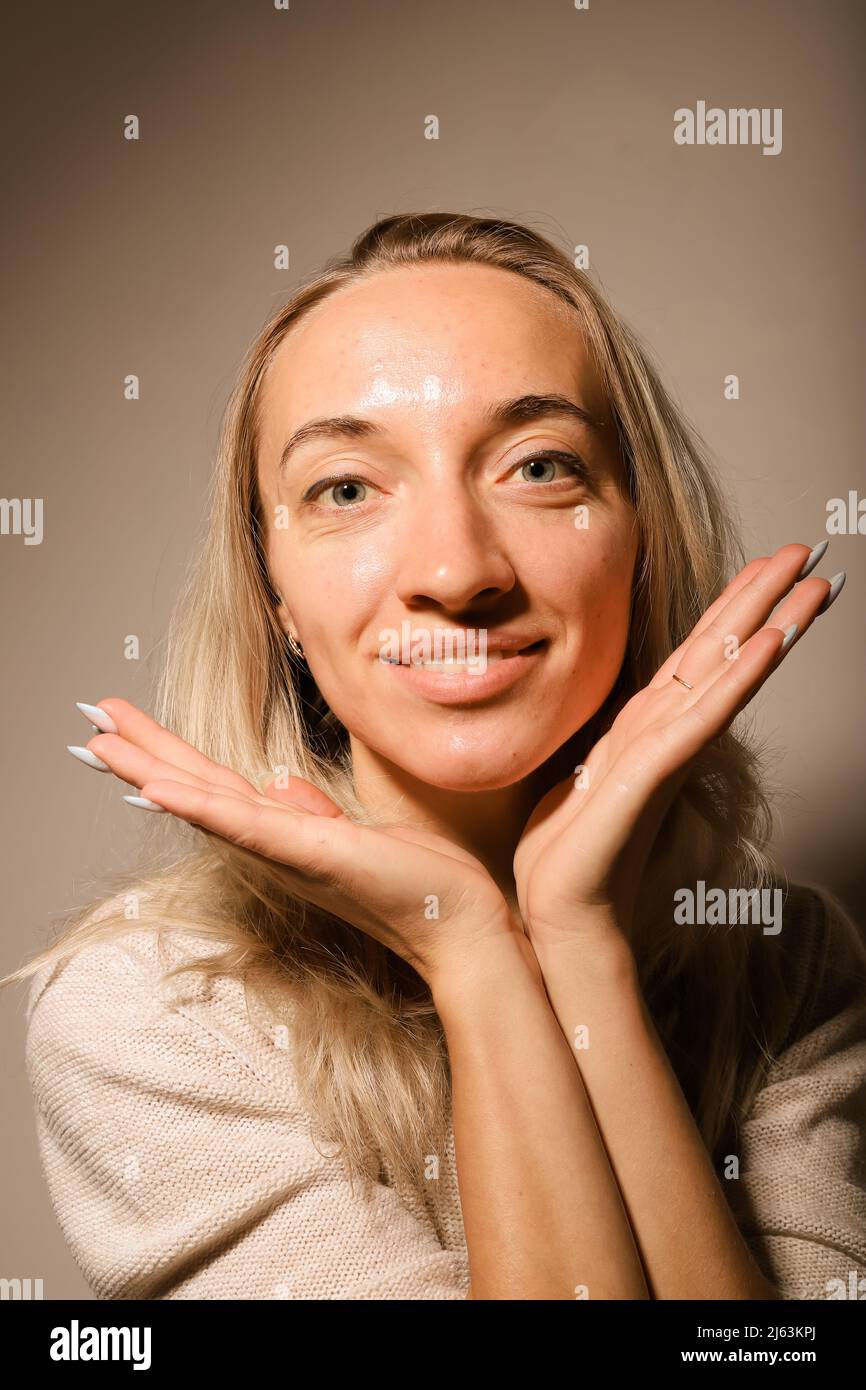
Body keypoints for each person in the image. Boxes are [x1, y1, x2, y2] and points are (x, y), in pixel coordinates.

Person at [6, 213, 865, 1300]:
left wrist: (576, 943)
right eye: (347, 489)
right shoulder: (151, 1013)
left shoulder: (783, 967)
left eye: (538, 465)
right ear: (278, 597)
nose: (456, 572)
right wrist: (473, 952)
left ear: (640, 539)